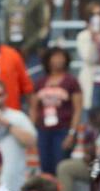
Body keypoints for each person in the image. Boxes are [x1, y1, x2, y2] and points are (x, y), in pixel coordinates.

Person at [29, 46, 81, 176]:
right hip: (43, 129)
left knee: (61, 165)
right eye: (55, 57)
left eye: (61, 57)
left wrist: (72, 133)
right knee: (45, 165)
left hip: (63, 129)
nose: (58, 60)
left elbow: (77, 109)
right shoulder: (40, 82)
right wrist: (32, 129)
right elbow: (34, 107)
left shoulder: (71, 82)